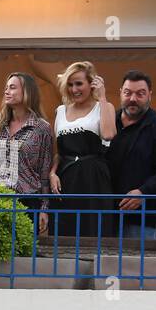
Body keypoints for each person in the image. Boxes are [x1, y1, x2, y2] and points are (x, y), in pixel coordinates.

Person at [108, 71, 156, 239]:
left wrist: (143, 192)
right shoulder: (108, 121)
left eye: (140, 94)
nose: (133, 98)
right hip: (104, 216)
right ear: (120, 92)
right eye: (128, 93)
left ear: (150, 95)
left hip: (143, 220)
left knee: (137, 265)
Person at [51, 61, 116, 237]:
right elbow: (59, 152)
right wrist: (52, 173)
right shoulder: (60, 111)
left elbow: (109, 134)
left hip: (93, 179)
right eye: (70, 84)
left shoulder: (104, 107)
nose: (74, 89)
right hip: (66, 178)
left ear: (91, 83)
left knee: (93, 230)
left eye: (79, 83)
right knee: (65, 232)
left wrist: (102, 97)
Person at [0, 72, 54, 235]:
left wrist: (44, 209)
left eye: (12, 87)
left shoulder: (41, 128)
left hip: (27, 202)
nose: (7, 92)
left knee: (23, 257)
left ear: (27, 92)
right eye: (6, 88)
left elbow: (45, 171)